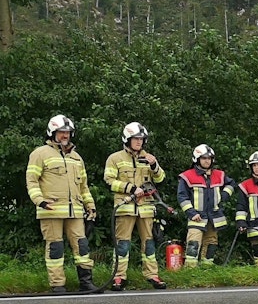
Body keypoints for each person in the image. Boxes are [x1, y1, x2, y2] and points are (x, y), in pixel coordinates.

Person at [26, 115, 98, 293]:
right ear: (52, 132)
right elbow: (32, 181)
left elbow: (83, 186)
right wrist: (40, 201)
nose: (65, 135)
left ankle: (86, 282)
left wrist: (91, 205)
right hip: (51, 211)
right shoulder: (40, 154)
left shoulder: (76, 158)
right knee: (55, 248)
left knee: (82, 245)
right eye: (61, 132)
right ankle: (57, 284)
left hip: (75, 211)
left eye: (67, 132)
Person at [104, 122, 167, 290]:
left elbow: (160, 179)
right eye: (136, 139)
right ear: (127, 139)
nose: (139, 142)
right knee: (122, 244)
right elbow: (109, 181)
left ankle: (152, 275)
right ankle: (119, 277)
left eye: (141, 139)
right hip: (125, 208)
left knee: (150, 243)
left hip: (146, 208)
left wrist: (154, 165)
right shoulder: (115, 158)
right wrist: (131, 188)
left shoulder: (148, 158)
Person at [177, 144, 235, 267]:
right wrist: (191, 213)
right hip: (197, 216)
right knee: (193, 243)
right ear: (197, 159)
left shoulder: (219, 174)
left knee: (211, 244)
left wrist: (224, 195)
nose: (207, 161)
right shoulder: (187, 176)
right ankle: (190, 271)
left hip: (214, 217)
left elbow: (231, 184)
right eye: (204, 158)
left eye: (209, 158)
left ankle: (207, 270)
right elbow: (182, 197)